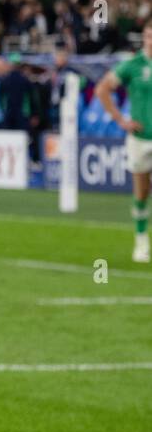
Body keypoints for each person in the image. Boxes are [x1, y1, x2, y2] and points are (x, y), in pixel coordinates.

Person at [95, 20, 152, 263]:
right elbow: (102, 89)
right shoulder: (133, 65)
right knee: (141, 192)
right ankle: (141, 242)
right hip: (139, 138)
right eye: (149, 35)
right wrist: (120, 119)